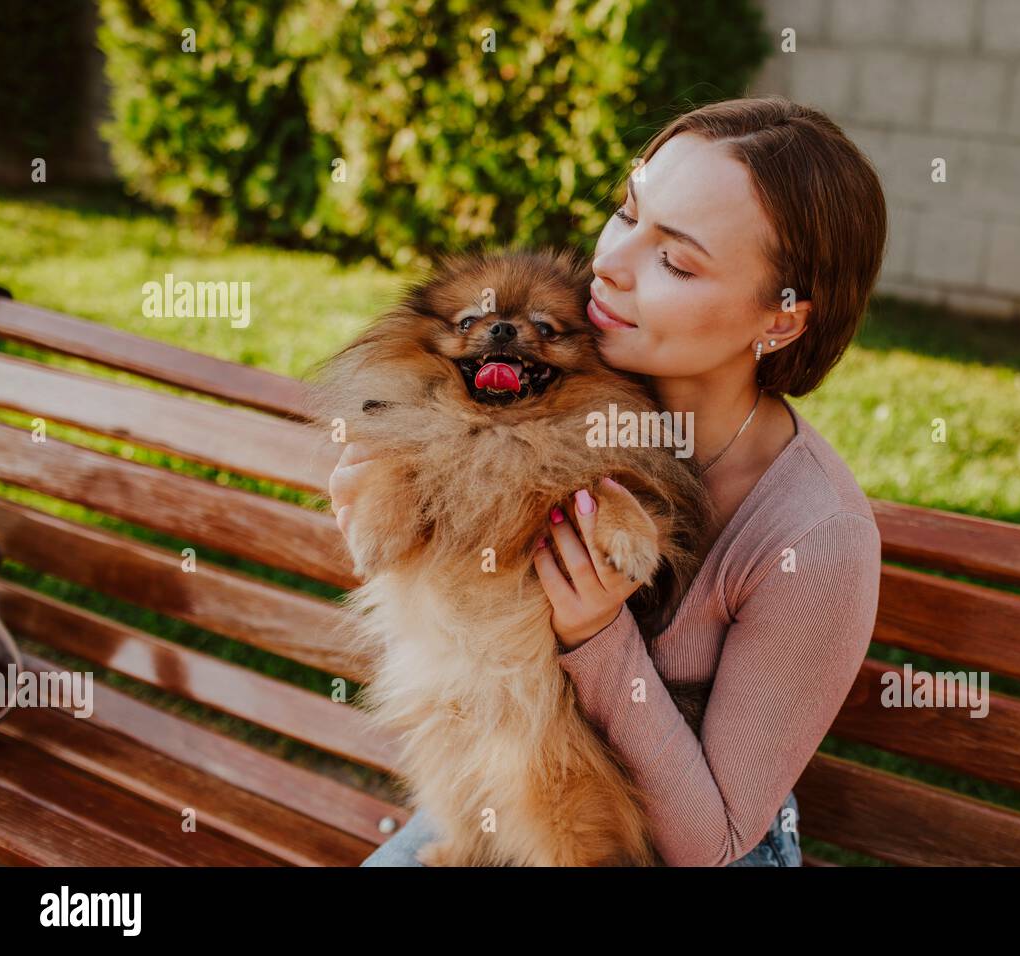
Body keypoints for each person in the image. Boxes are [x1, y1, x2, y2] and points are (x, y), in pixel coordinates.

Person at [334, 94, 886, 867]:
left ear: (782, 319)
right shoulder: (563, 388)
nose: (611, 264)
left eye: (677, 260)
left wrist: (597, 637)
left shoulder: (817, 537)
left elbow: (713, 842)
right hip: (496, 792)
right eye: (628, 213)